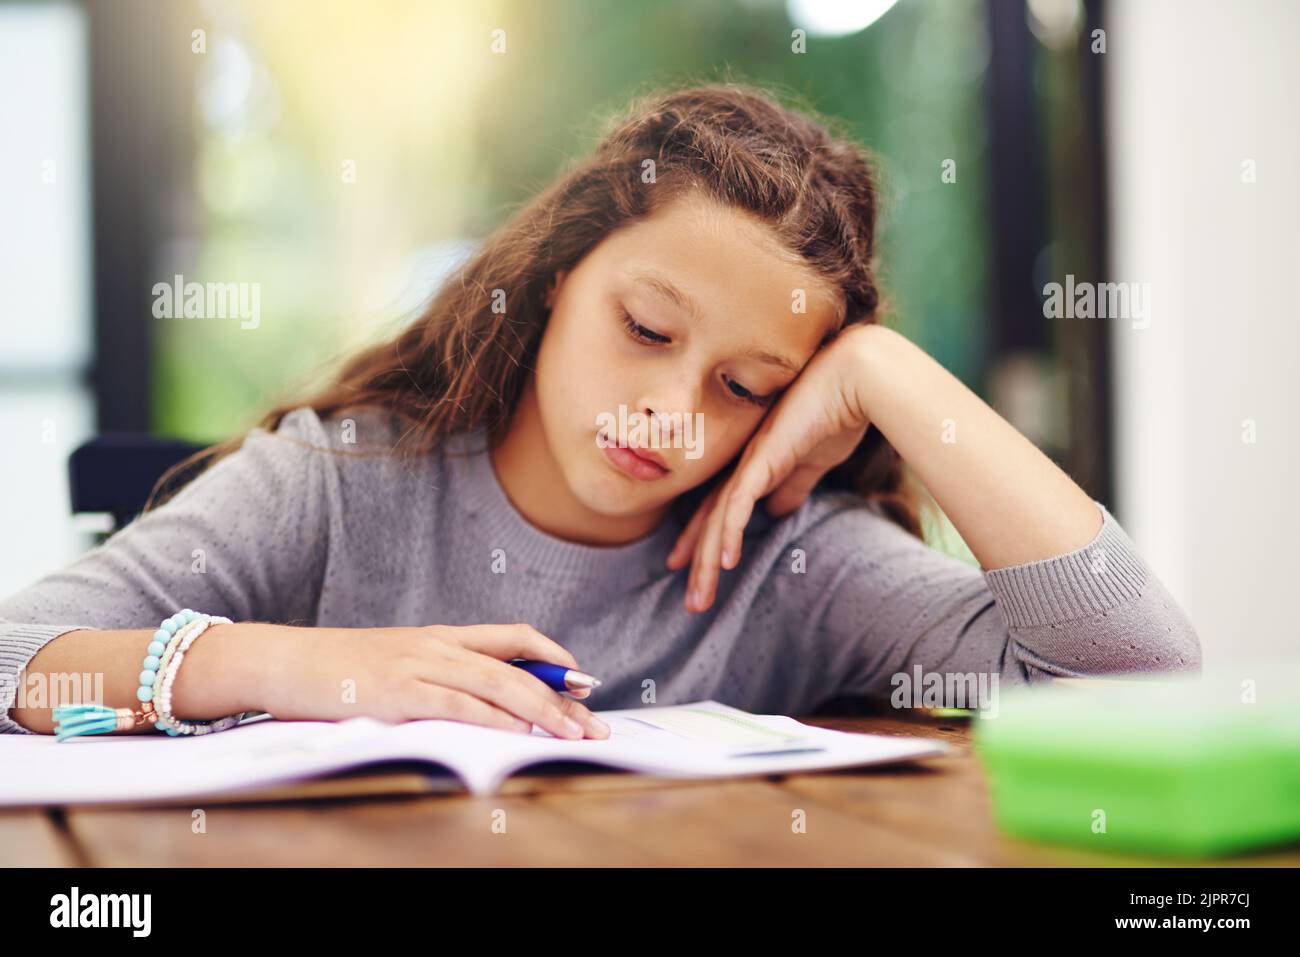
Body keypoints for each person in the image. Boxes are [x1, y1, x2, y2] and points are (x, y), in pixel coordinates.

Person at [0, 83, 1200, 740]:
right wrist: (315, 667)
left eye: (745, 388)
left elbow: (1136, 672)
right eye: (645, 330)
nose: (671, 415)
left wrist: (888, 374)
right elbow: (13, 665)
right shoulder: (338, 484)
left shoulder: (793, 566)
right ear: (558, 278)